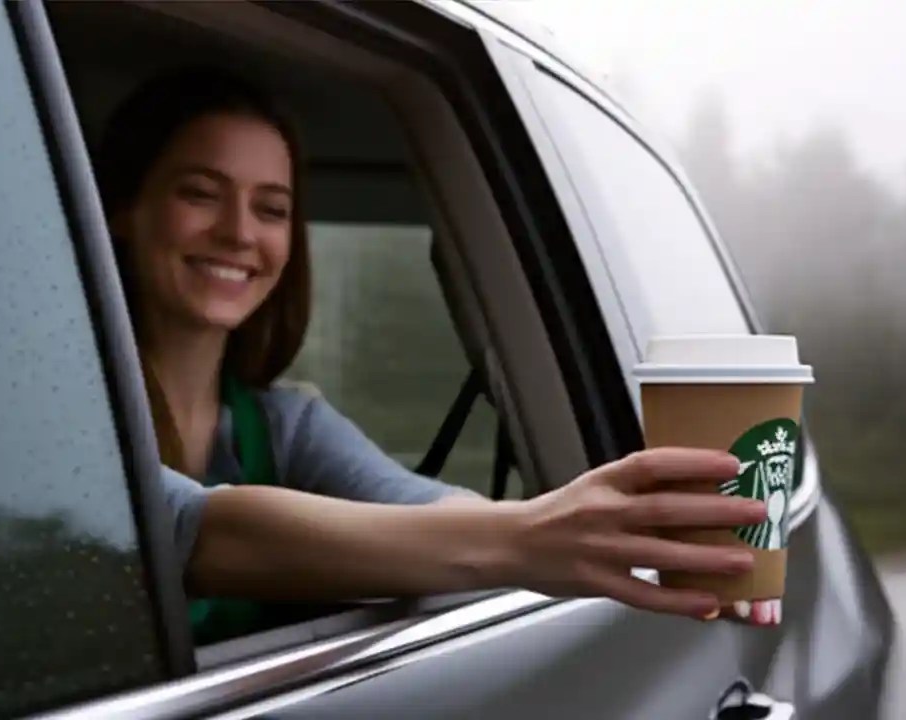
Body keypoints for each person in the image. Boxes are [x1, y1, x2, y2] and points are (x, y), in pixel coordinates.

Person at [95, 67, 764, 643]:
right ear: (123, 209)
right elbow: (184, 527)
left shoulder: (282, 426)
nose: (239, 232)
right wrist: (528, 537)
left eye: (271, 209)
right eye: (200, 194)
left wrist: (643, 539)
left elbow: (427, 509)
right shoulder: (65, 421)